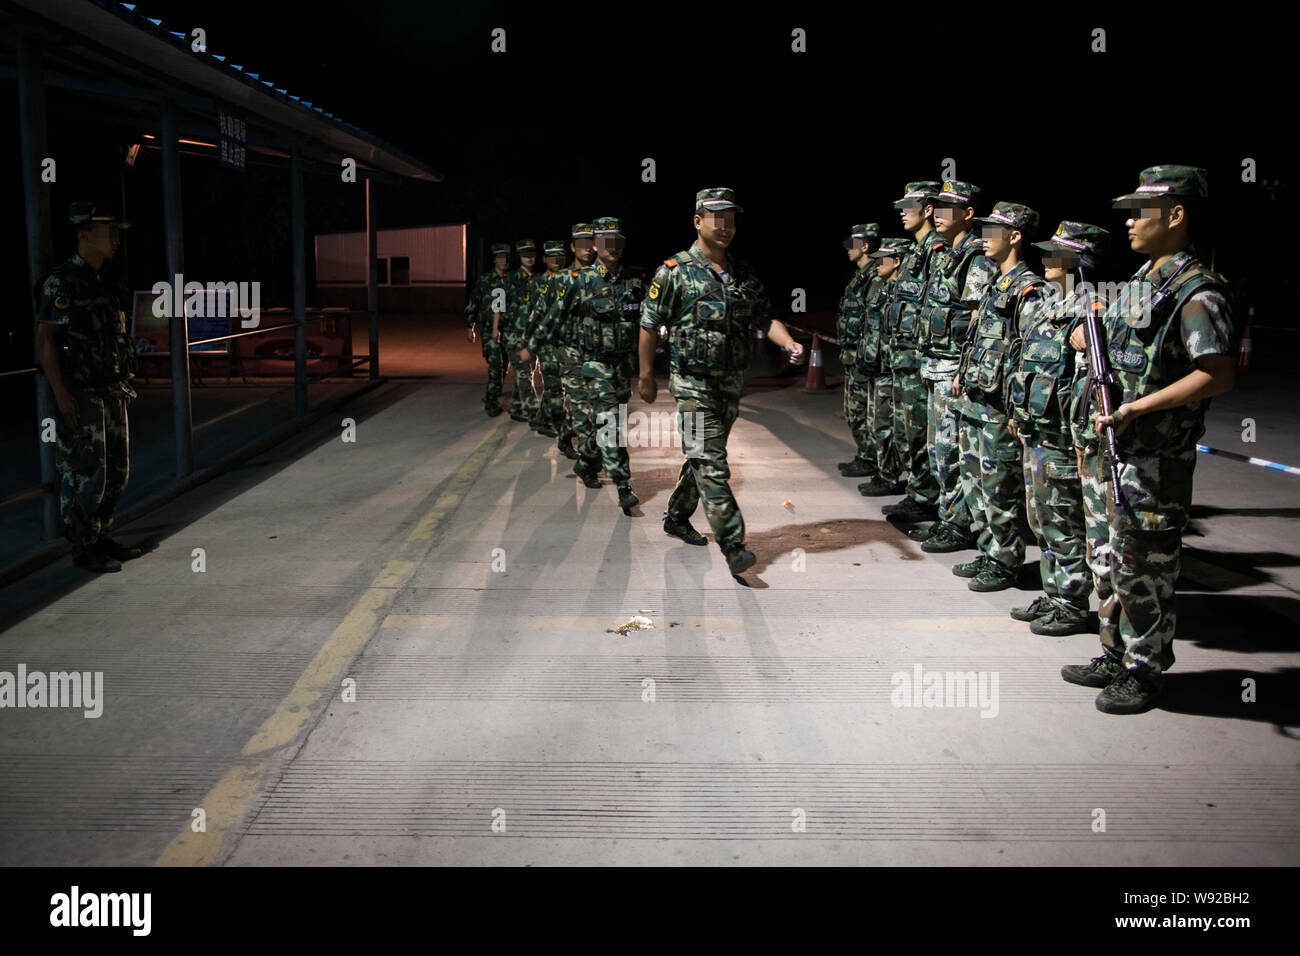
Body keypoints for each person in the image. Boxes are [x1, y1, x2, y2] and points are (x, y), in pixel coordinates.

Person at [1061, 166, 1235, 714]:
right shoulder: (1141, 281)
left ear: (1176, 216)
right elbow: (1109, 342)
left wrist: (1138, 406)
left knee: (1144, 568)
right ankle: (1115, 654)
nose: (1131, 222)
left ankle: (1145, 671)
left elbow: (1217, 373)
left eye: (1141, 212)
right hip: (1111, 446)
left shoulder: (1198, 292)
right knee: (1108, 560)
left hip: (1153, 458)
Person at [637, 187, 804, 576]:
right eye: (716, 218)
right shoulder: (674, 272)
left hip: (730, 385)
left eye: (730, 219)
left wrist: (789, 342)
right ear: (698, 221)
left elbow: (765, 317)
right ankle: (734, 545)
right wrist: (646, 376)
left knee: (701, 457)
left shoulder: (743, 274)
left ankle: (677, 517)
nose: (725, 226)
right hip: (692, 386)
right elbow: (648, 324)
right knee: (712, 463)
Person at [1007, 221, 1111, 635]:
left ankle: (1070, 601)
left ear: (1080, 260)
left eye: (1058, 253)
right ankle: (1054, 594)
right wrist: (1019, 412)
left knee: (1066, 522)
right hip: (1039, 432)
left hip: (1066, 439)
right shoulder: (1049, 304)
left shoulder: (1095, 309)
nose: (1048, 259)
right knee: (1042, 519)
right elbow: (1028, 363)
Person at [34, 201, 147, 573]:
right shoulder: (62, 281)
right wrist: (61, 394)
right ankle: (83, 547)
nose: (115, 238)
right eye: (108, 231)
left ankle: (102, 536)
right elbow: (45, 340)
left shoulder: (106, 279)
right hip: (81, 393)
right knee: (86, 473)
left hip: (112, 388)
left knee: (118, 471)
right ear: (84, 235)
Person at [951, 201, 1045, 592]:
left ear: (1015, 237)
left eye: (994, 231)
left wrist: (1017, 408)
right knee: (974, 481)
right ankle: (990, 550)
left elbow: (1029, 357)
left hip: (998, 407)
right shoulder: (995, 285)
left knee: (999, 486)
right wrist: (960, 373)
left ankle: (1006, 561)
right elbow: (977, 340)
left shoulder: (1030, 291)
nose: (985, 238)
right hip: (975, 398)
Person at [913, 181, 997, 552]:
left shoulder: (976, 257)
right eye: (937, 207)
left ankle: (958, 525)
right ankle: (950, 518)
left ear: (967, 214)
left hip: (953, 368)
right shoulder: (948, 254)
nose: (939, 214)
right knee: (938, 450)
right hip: (937, 364)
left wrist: (966, 368)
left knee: (949, 452)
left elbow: (979, 317)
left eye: (948, 208)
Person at [546, 217, 645, 514]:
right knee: (610, 424)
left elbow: (645, 322)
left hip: (620, 367)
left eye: (617, 241)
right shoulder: (573, 281)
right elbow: (550, 320)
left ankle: (585, 463)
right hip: (585, 362)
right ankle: (624, 486)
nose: (611, 247)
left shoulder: (633, 282)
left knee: (606, 425)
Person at [880, 182, 945, 523]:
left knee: (923, 435)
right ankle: (918, 492)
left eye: (910, 205)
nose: (902, 211)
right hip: (902, 359)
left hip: (921, 362)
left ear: (930, 209)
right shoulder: (914, 254)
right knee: (910, 433)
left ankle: (928, 499)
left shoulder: (937, 253)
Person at [526, 223, 597, 459]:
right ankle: (588, 458)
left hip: (593, 350)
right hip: (564, 348)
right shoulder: (559, 280)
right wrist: (531, 344)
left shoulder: (600, 275)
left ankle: (565, 436)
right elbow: (539, 313)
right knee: (575, 400)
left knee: (584, 403)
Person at [856, 237, 914, 497]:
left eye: (884, 259)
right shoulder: (881, 288)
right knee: (877, 424)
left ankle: (890, 476)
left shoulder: (903, 293)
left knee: (889, 426)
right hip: (877, 366)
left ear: (898, 261)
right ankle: (884, 472)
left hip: (892, 369)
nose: (878, 263)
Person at [835, 223, 881, 478]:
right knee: (854, 411)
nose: (847, 250)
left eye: (851, 244)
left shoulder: (874, 277)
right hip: (852, 355)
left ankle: (870, 458)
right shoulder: (860, 275)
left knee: (863, 411)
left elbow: (873, 321)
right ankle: (865, 455)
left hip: (863, 358)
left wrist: (868, 357)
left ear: (864, 246)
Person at [516, 239, 569, 438]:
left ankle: (542, 418)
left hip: (566, 340)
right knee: (555, 385)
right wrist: (525, 337)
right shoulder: (537, 283)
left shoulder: (571, 279)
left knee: (560, 384)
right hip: (545, 340)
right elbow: (527, 312)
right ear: (545, 259)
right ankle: (555, 424)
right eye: (553, 256)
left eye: (561, 256)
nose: (558, 260)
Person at [464, 242, 511, 416]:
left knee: (504, 365)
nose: (503, 261)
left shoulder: (511, 280)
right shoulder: (485, 280)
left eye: (506, 258)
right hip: (488, 330)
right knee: (495, 365)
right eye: (500, 257)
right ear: (494, 260)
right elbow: (473, 303)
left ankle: (495, 391)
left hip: (507, 330)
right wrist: (470, 326)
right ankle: (491, 401)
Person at [502, 238, 541, 423]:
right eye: (526, 255)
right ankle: (533, 412)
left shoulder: (539, 280)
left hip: (532, 336)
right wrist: (496, 330)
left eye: (532, 255)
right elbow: (498, 307)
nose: (530, 258)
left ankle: (516, 408)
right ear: (520, 257)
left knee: (526, 373)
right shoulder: (509, 280)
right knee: (524, 375)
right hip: (513, 336)